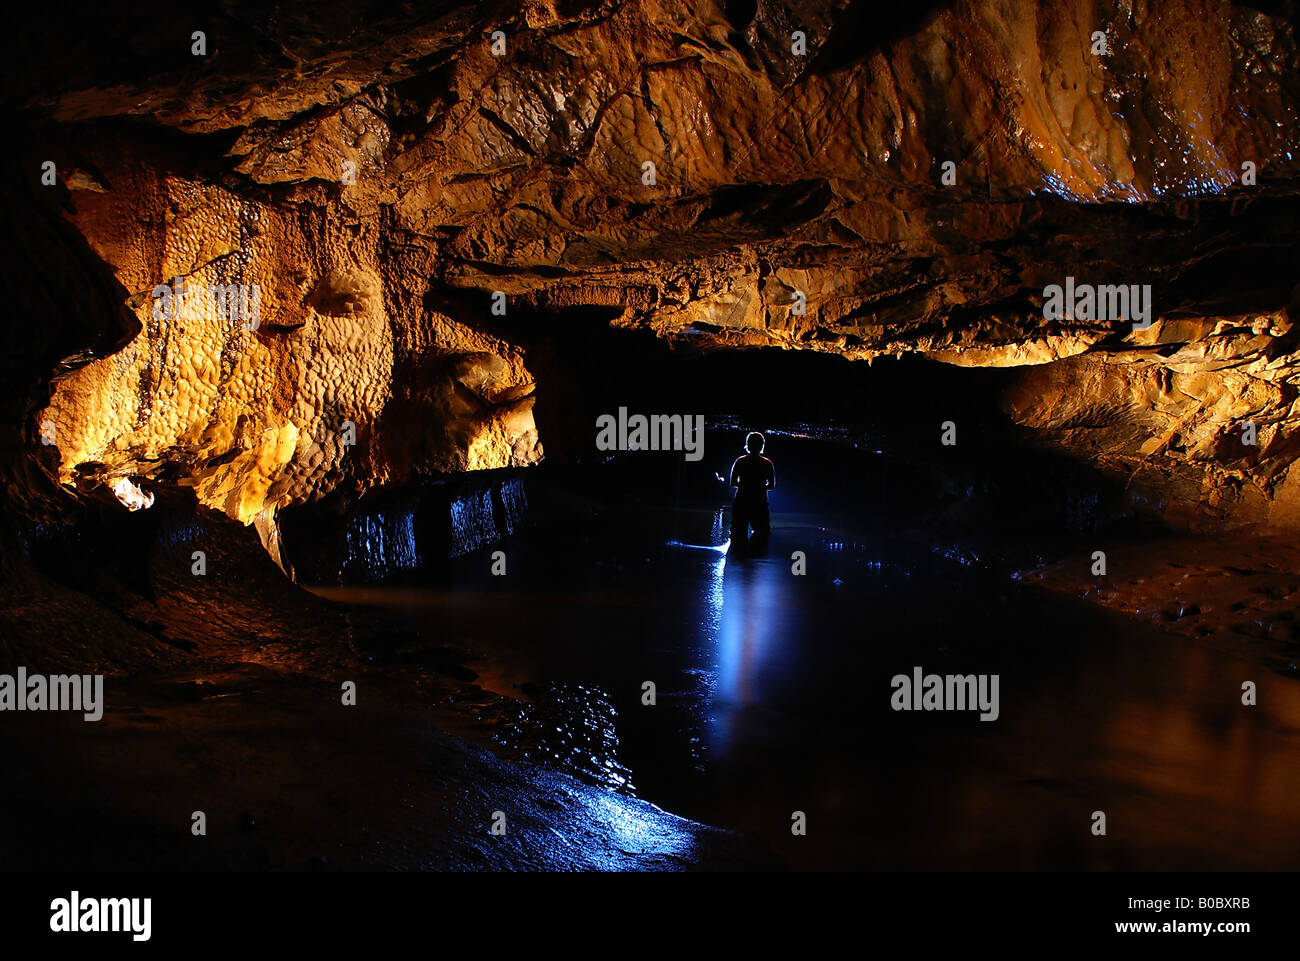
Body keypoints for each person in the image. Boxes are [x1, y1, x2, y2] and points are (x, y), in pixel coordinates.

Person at [729, 432, 775, 555]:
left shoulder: (740, 461)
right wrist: (758, 487)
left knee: (738, 532)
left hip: (742, 500)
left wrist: (745, 485)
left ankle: (738, 556)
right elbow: (771, 486)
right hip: (759, 501)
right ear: (762, 446)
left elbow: (733, 482)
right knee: (762, 533)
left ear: (748, 445)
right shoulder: (767, 463)